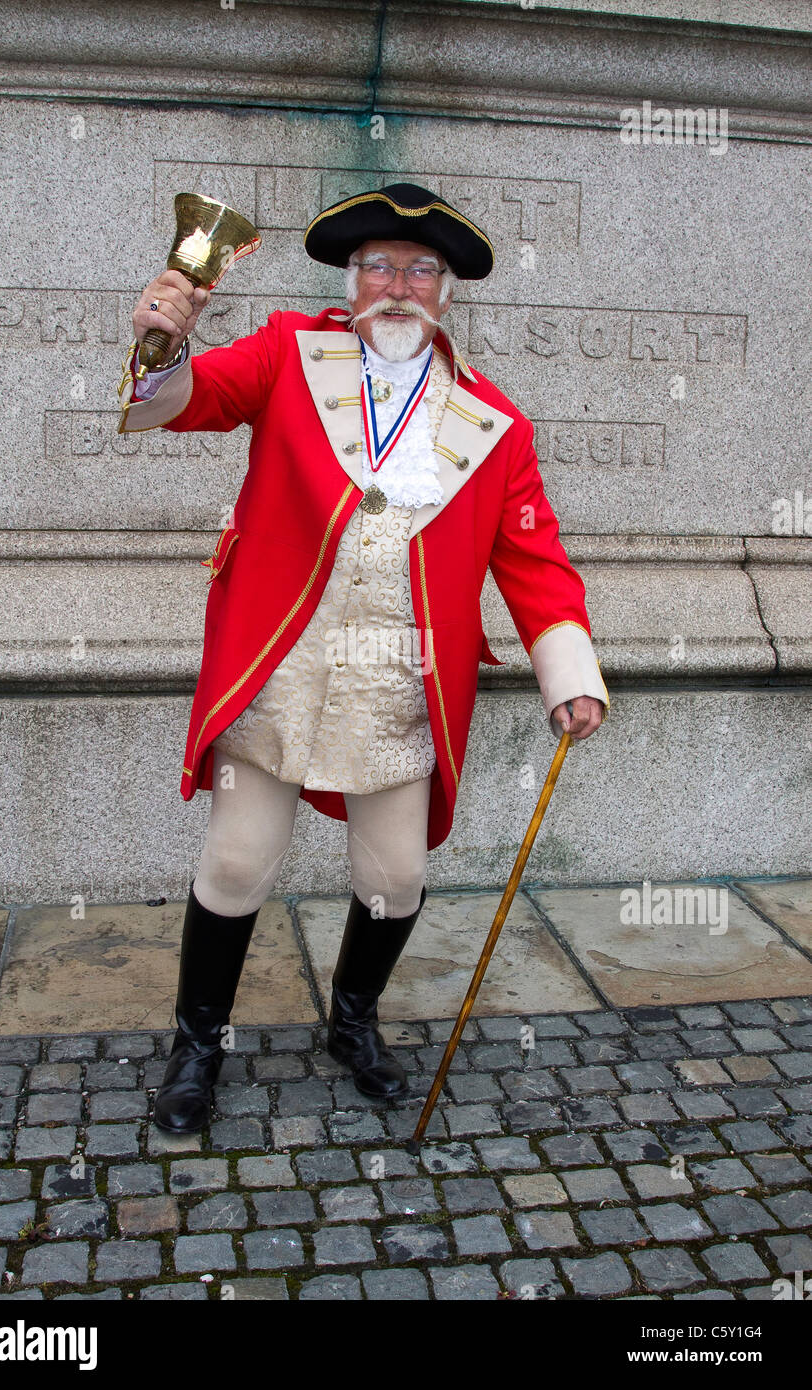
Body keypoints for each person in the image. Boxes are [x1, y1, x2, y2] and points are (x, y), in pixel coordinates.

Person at [117, 183, 608, 1133]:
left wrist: (570, 676)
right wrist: (162, 343)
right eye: (379, 265)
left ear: (448, 293)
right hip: (279, 671)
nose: (399, 284)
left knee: (395, 879)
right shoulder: (290, 355)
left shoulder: (493, 424)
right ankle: (196, 1046)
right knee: (237, 863)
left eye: (421, 270)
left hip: (397, 689)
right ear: (352, 281)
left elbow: (535, 559)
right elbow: (185, 403)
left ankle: (352, 1021)